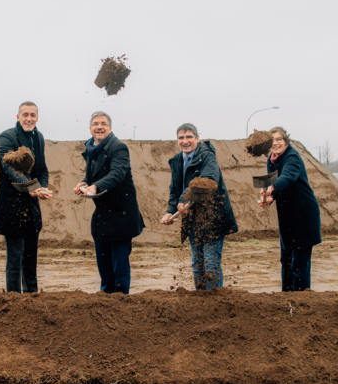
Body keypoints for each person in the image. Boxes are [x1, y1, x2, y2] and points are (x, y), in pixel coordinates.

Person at [159, 123, 238, 289]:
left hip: (213, 218)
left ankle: (215, 303)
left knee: (211, 264)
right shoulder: (177, 160)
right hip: (193, 219)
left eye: (189, 137)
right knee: (197, 265)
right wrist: (170, 211)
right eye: (181, 137)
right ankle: (201, 302)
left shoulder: (207, 157)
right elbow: (175, 189)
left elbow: (206, 181)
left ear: (197, 138)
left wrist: (182, 199)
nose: (185, 141)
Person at [74, 111, 145, 294]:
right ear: (90, 129)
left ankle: (121, 299)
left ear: (110, 128)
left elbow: (117, 174)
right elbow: (94, 173)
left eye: (104, 124)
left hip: (121, 214)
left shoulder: (118, 147)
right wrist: (85, 182)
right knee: (104, 264)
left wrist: (95, 187)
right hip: (103, 214)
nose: (100, 127)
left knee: (120, 265)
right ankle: (106, 300)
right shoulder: (91, 149)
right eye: (96, 124)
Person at [0, 101, 52, 292]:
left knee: (30, 259)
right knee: (15, 259)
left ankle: (32, 297)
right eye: (25, 115)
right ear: (18, 117)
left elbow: (42, 168)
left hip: (32, 206)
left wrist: (42, 188)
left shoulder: (39, 137)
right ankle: (13, 300)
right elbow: (9, 167)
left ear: (37, 117)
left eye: (33, 115)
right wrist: (30, 187)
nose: (29, 118)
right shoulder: (7, 137)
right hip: (12, 205)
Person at [259, 126, 321, 291]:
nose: (276, 143)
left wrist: (272, 188)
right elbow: (277, 187)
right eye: (272, 140)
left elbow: (288, 176)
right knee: (286, 263)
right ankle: (286, 303)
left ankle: (301, 304)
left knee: (299, 266)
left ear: (286, 140)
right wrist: (270, 197)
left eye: (279, 139)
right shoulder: (271, 160)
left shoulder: (292, 156)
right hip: (287, 218)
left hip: (303, 217)